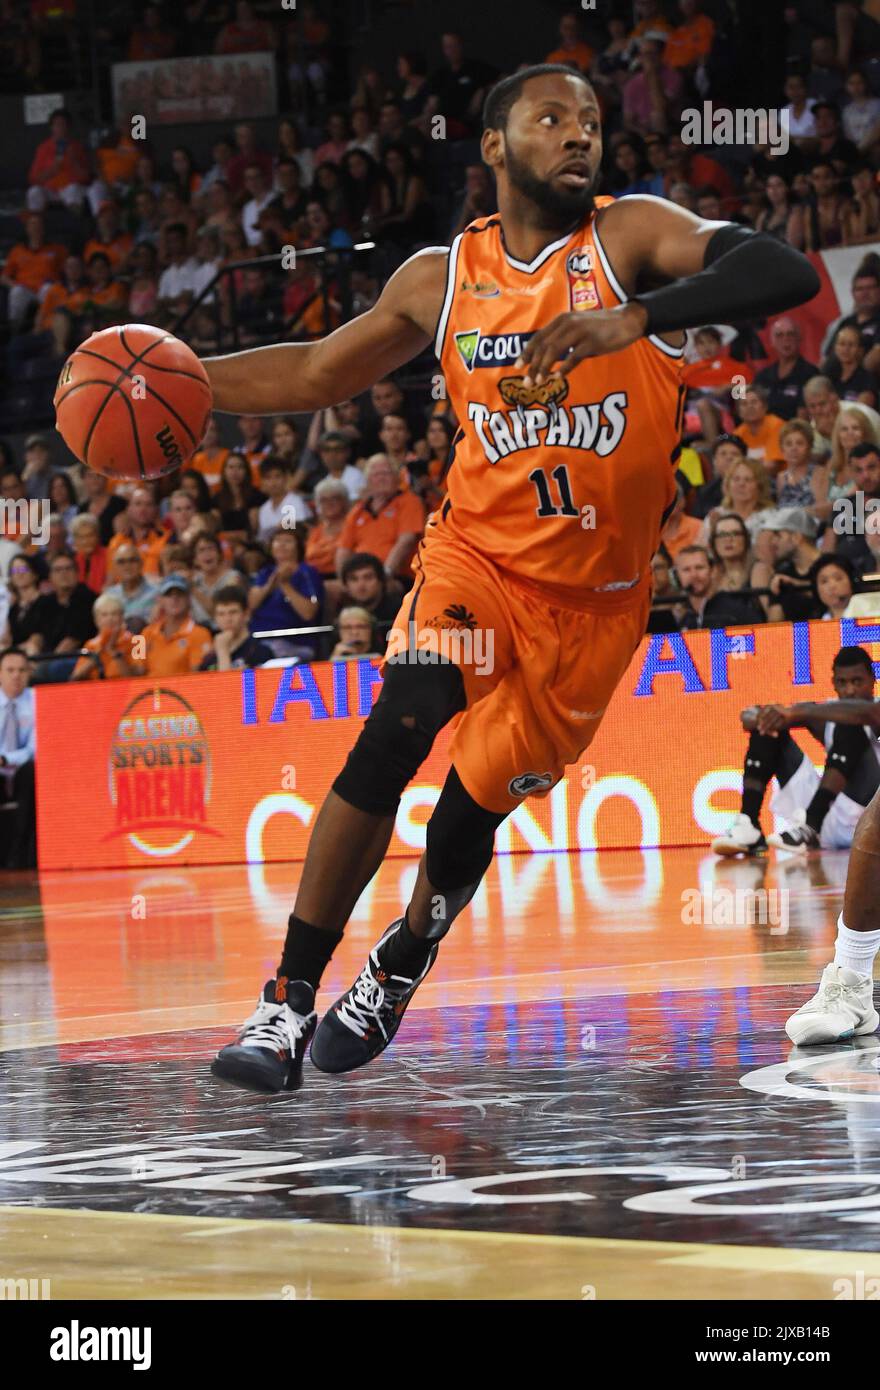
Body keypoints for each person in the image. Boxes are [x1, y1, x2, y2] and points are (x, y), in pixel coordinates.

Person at [202, 62, 818, 1091]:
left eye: (589, 121)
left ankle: (401, 958)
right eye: (550, 119)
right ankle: (282, 1002)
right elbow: (315, 371)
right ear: (494, 146)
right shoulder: (440, 279)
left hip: (595, 609)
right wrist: (174, 377)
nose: (579, 136)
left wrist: (640, 319)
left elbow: (783, 269)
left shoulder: (629, 242)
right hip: (475, 562)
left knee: (463, 820)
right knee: (401, 719)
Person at [713, 646, 880, 865]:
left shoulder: (873, 710)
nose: (849, 691)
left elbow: (865, 714)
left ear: (873, 680)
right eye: (843, 683)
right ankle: (749, 824)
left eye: (857, 682)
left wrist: (797, 712)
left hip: (869, 822)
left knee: (852, 724)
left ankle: (811, 823)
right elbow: (748, 717)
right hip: (827, 818)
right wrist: (767, 716)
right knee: (770, 727)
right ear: (833, 683)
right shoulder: (823, 712)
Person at [248, 527, 323, 660]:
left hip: (294, 642)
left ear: (298, 547)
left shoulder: (307, 572)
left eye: (288, 541)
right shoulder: (265, 572)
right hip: (259, 640)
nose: (281, 545)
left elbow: (308, 613)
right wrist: (269, 586)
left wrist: (285, 585)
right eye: (277, 541)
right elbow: (251, 605)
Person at [0, 646, 36, 869]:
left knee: (31, 772)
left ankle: (21, 856)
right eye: (10, 670)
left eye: (22, 670)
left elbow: (35, 748)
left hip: (22, 768)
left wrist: (5, 759)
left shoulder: (38, 701)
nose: (16, 676)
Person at [675, 545, 766, 630]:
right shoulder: (682, 619)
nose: (694, 575)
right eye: (686, 570)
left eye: (699, 568)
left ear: (713, 571)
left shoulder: (737, 612)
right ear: (677, 575)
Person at [141, 575, 213, 676]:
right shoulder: (145, 633)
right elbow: (134, 673)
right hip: (148, 690)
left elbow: (198, 677)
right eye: (169, 595)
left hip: (182, 690)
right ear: (160, 600)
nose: (174, 598)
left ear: (188, 599)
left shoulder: (201, 634)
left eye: (180, 594)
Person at [70, 592, 145, 681]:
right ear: (96, 620)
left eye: (114, 614)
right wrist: (98, 654)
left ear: (122, 617)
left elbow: (138, 679)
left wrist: (113, 651)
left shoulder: (138, 641)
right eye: (104, 615)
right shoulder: (90, 645)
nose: (110, 618)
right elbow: (74, 678)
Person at [199, 584, 273, 670]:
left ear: (246, 615)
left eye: (233, 612)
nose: (227, 619)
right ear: (215, 618)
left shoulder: (260, 652)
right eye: (221, 614)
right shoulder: (209, 659)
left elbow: (228, 683)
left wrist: (223, 651)